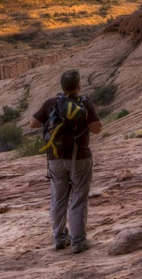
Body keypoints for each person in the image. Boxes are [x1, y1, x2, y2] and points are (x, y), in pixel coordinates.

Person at [28, 69, 103, 254]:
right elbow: (97, 129)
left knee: (58, 199)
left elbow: (33, 124)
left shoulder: (51, 102)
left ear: (62, 86)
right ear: (79, 86)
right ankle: (78, 242)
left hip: (55, 158)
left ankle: (60, 238)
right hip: (80, 159)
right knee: (78, 199)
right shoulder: (85, 103)